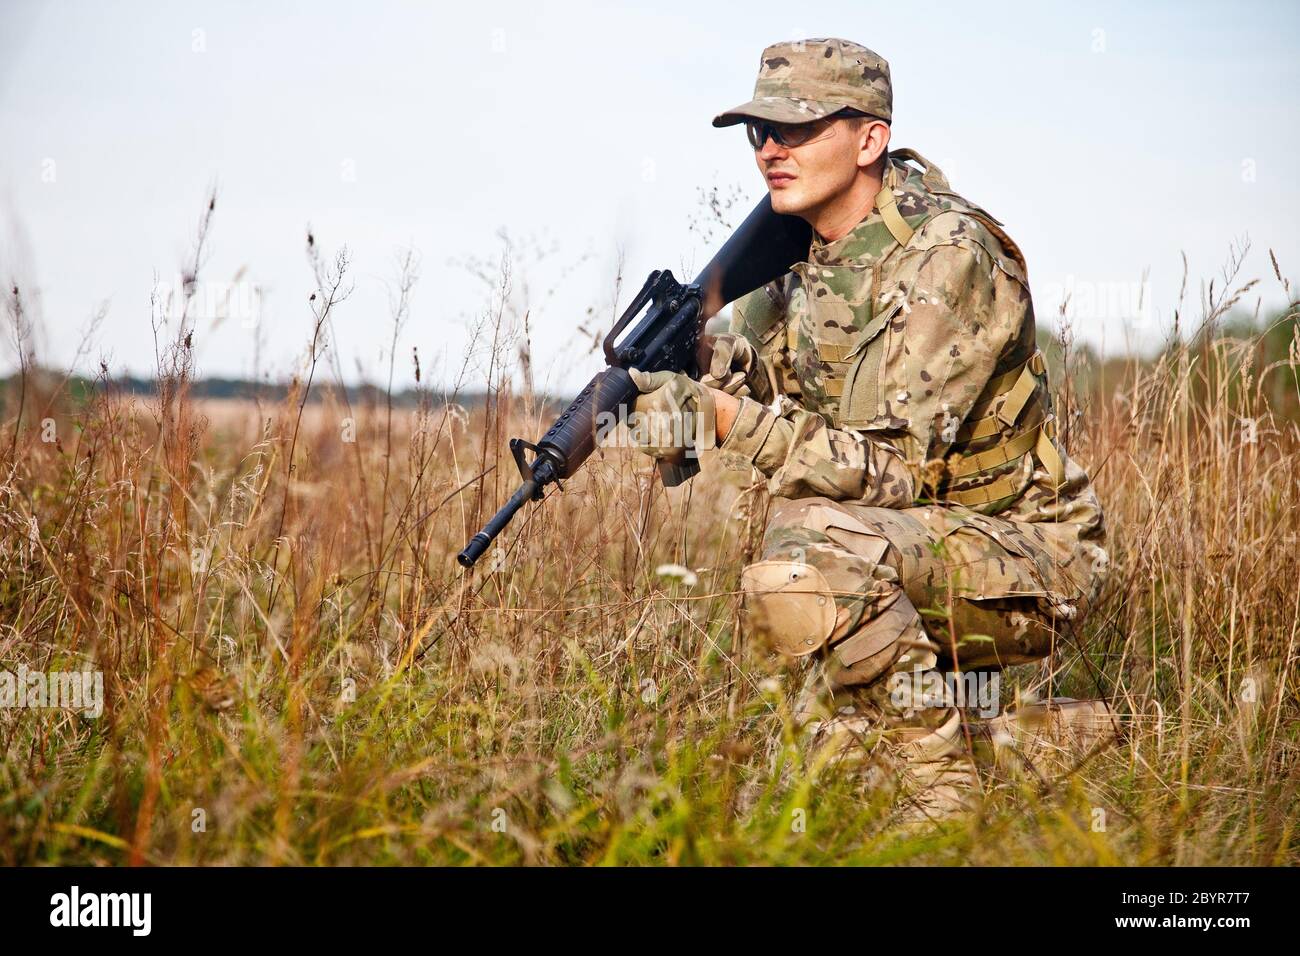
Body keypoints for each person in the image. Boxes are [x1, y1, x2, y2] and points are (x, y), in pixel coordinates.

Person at [627, 38, 1109, 821]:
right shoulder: (798, 259)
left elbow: (894, 473)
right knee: (803, 772)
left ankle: (943, 805)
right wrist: (692, 370)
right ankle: (1035, 740)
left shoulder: (949, 257)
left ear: (870, 139)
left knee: (806, 560)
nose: (771, 152)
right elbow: (767, 381)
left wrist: (723, 419)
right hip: (914, 542)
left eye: (797, 129)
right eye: (759, 134)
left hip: (1028, 555)